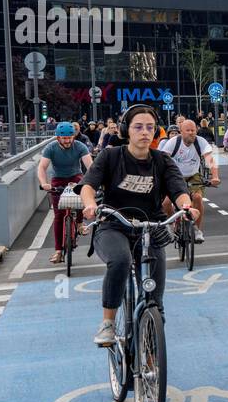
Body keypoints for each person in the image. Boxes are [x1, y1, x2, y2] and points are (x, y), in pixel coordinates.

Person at [80, 106, 196, 347]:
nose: (145, 132)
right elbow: (88, 185)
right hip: (113, 225)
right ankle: (108, 324)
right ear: (126, 130)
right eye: (138, 127)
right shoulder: (110, 156)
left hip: (150, 228)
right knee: (120, 261)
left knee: (155, 301)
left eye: (150, 127)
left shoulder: (162, 160)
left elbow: (178, 189)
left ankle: (151, 357)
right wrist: (90, 204)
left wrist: (185, 207)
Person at [36, 122, 94, 264]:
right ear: (58, 138)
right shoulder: (51, 148)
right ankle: (58, 251)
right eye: (64, 138)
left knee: (81, 196)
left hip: (76, 176)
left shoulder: (80, 146)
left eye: (70, 137)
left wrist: (92, 182)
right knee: (59, 215)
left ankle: (80, 223)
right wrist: (44, 183)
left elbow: (90, 166)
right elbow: (42, 167)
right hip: (58, 179)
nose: (67, 140)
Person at [161, 118, 220, 243]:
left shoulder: (201, 142)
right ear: (181, 132)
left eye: (193, 130)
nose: (191, 133)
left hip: (193, 175)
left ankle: (197, 229)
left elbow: (210, 160)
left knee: (197, 198)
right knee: (166, 203)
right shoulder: (173, 142)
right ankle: (171, 224)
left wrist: (215, 176)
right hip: (175, 175)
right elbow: (162, 161)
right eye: (188, 130)